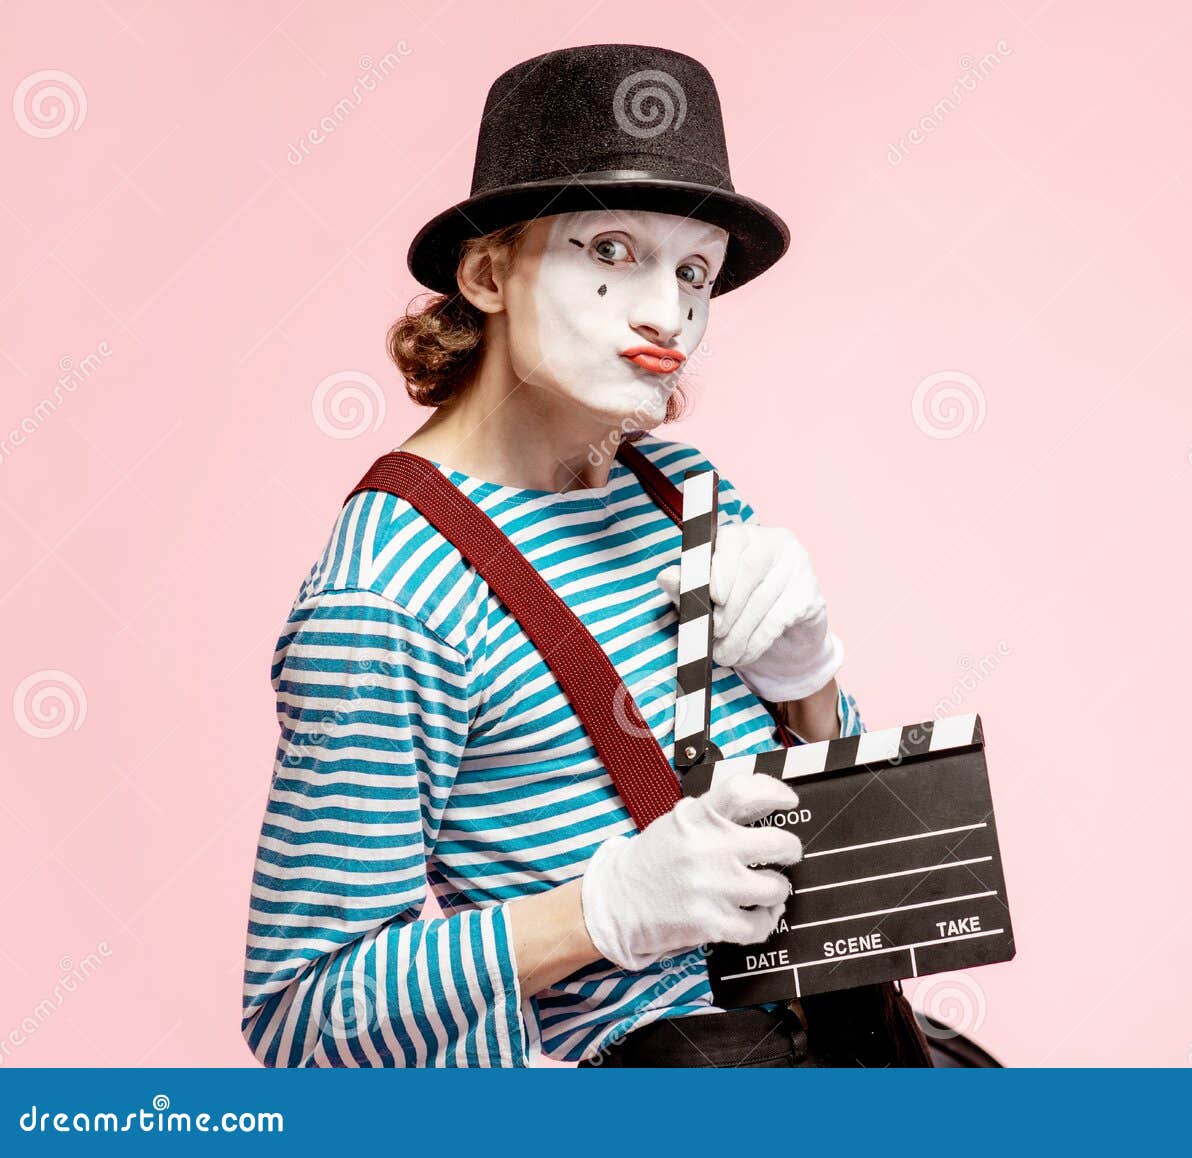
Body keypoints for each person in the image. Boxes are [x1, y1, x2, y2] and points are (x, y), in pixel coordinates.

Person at [241, 44, 932, 1067]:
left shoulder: (683, 490)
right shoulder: (385, 596)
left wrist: (812, 687)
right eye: (611, 250)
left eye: (692, 270)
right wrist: (598, 913)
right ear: (486, 274)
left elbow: (835, 858)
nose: (668, 314)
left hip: (848, 1038)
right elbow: (303, 1017)